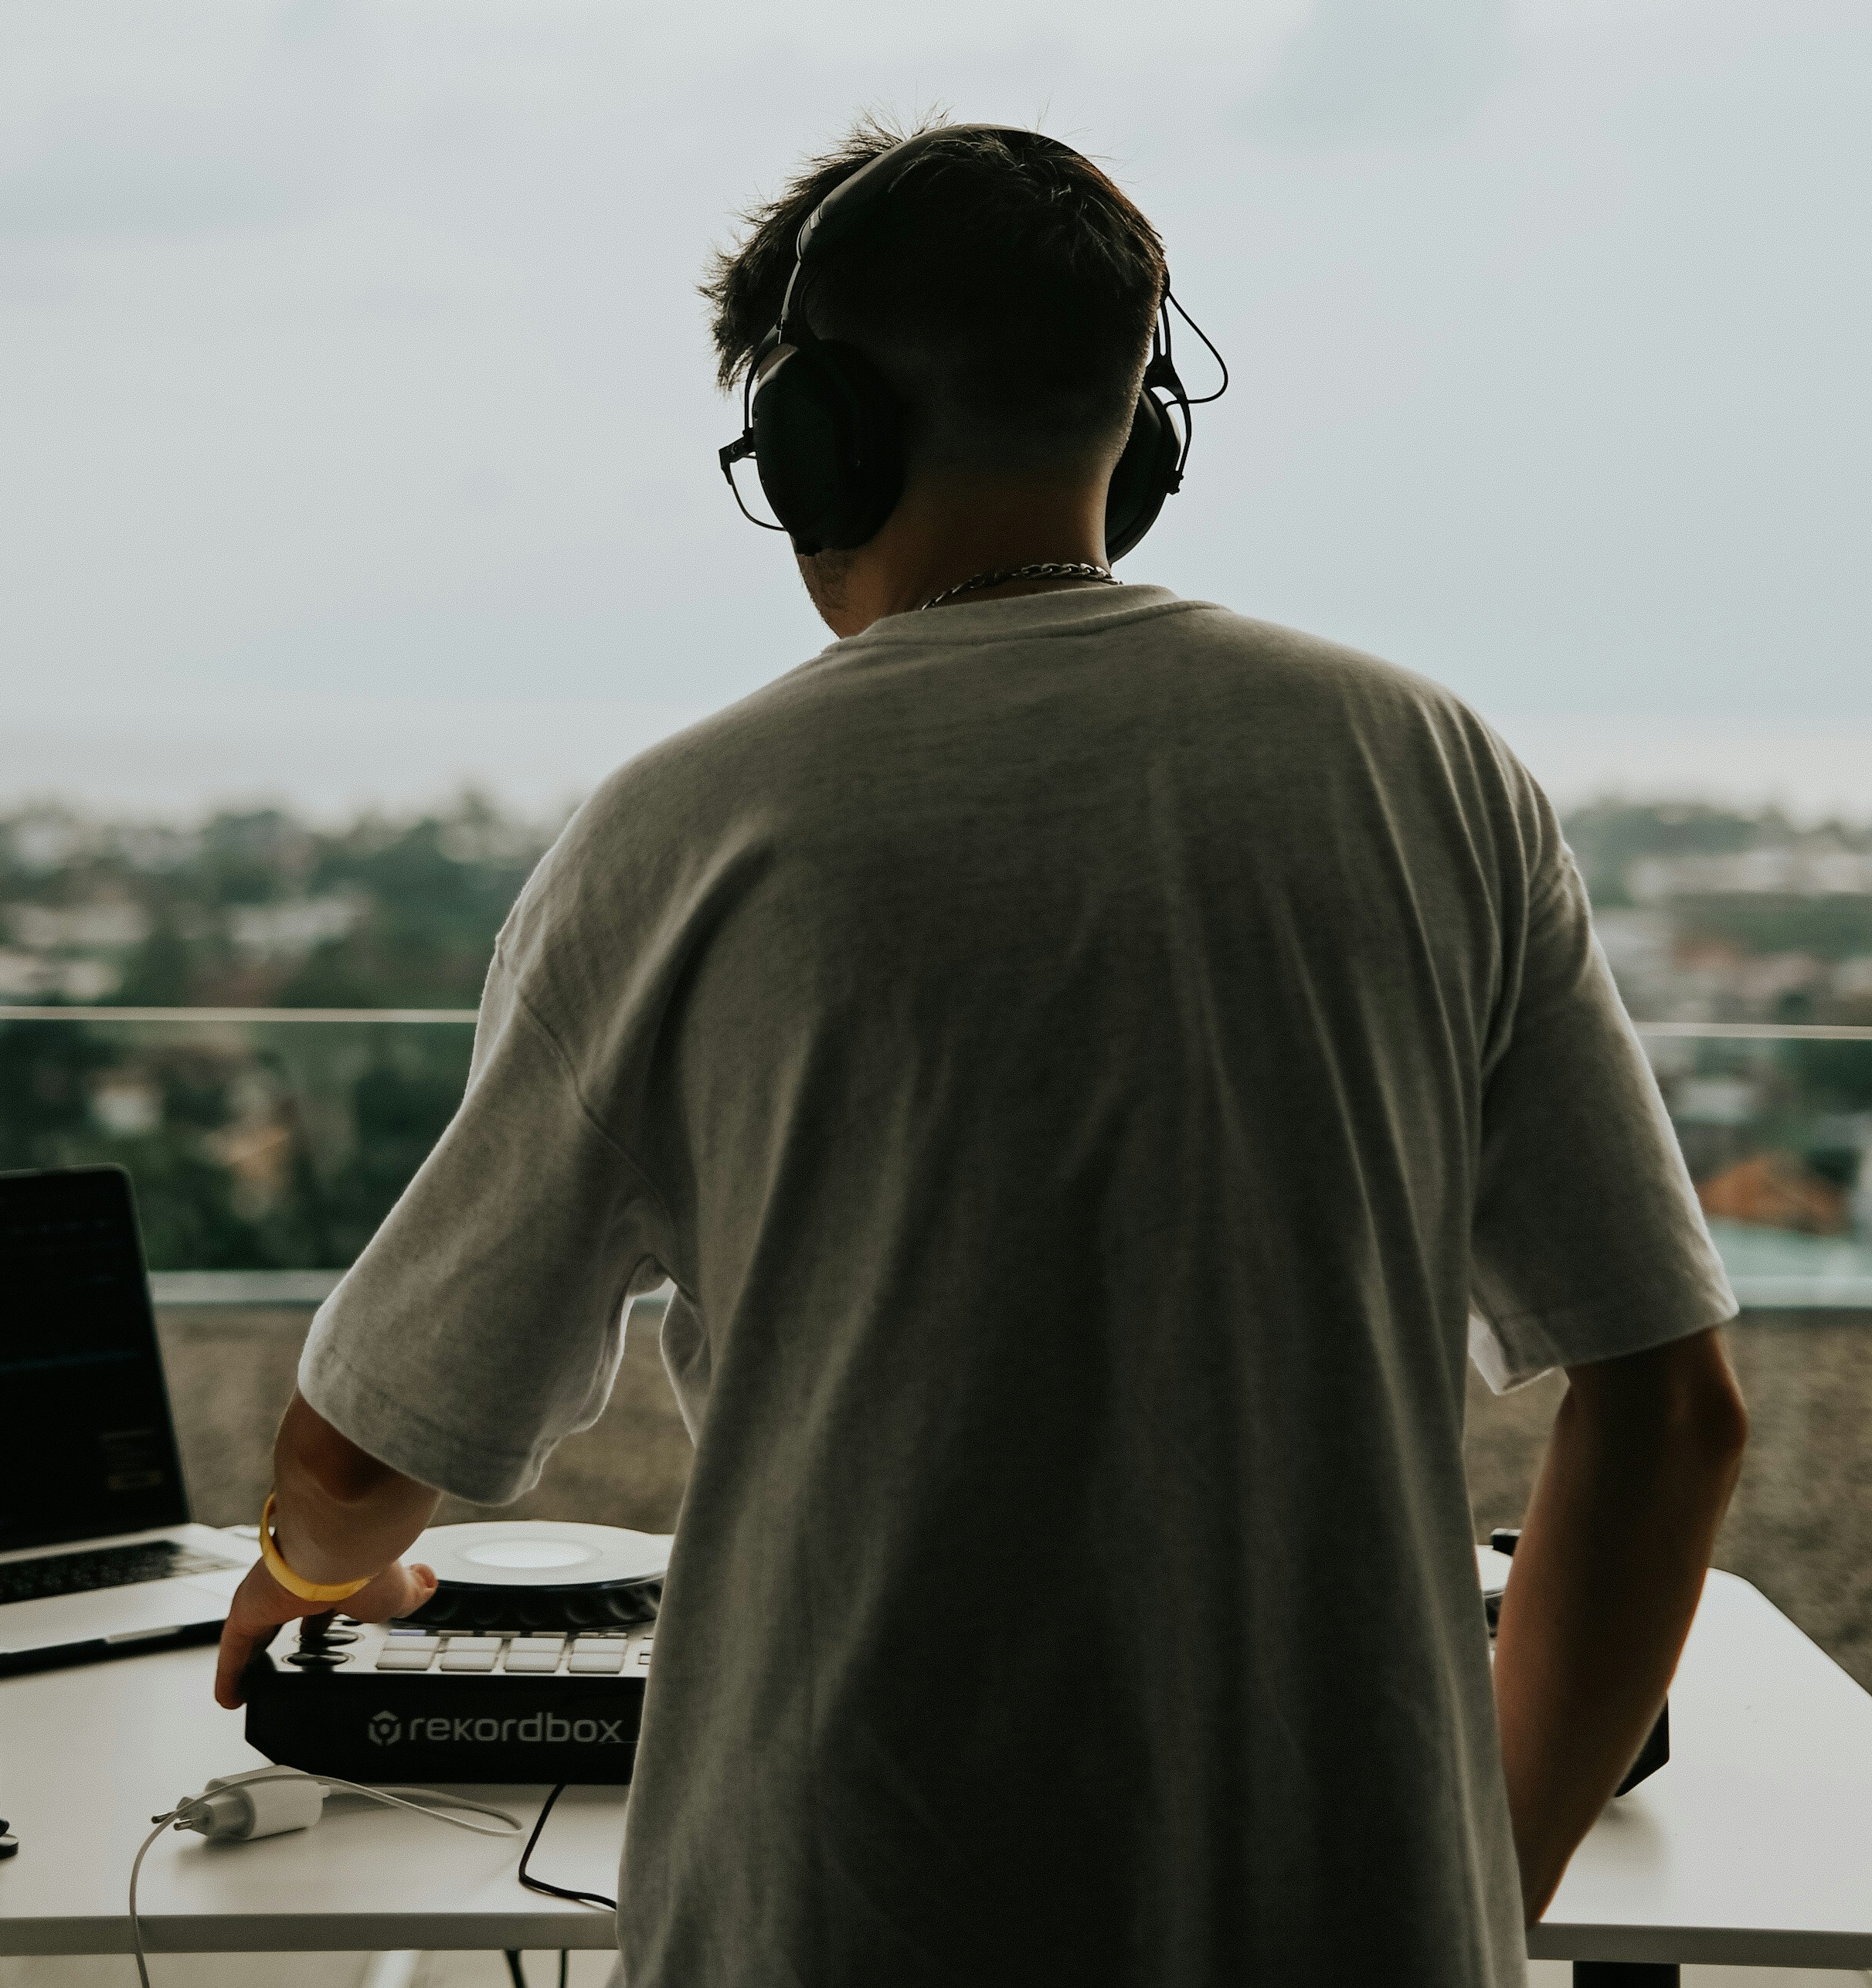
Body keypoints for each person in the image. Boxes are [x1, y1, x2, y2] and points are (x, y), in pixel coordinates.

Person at [216, 118, 1745, 1986]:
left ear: (808, 444)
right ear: (1142, 436)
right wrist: (1478, 1888)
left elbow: (364, 1453)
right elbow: (1673, 1411)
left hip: (841, 1914)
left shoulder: (687, 835)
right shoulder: (1432, 775)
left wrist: (313, 1576)